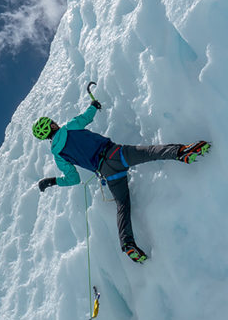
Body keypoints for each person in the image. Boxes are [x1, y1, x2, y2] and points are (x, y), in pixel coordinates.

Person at [32, 99, 210, 264]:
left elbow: (73, 178)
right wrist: (94, 104)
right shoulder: (69, 127)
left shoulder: (58, 155)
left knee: (122, 206)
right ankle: (182, 152)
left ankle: (127, 243)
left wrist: (53, 181)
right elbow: (86, 117)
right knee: (151, 152)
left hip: (107, 173)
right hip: (114, 154)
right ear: (52, 125)